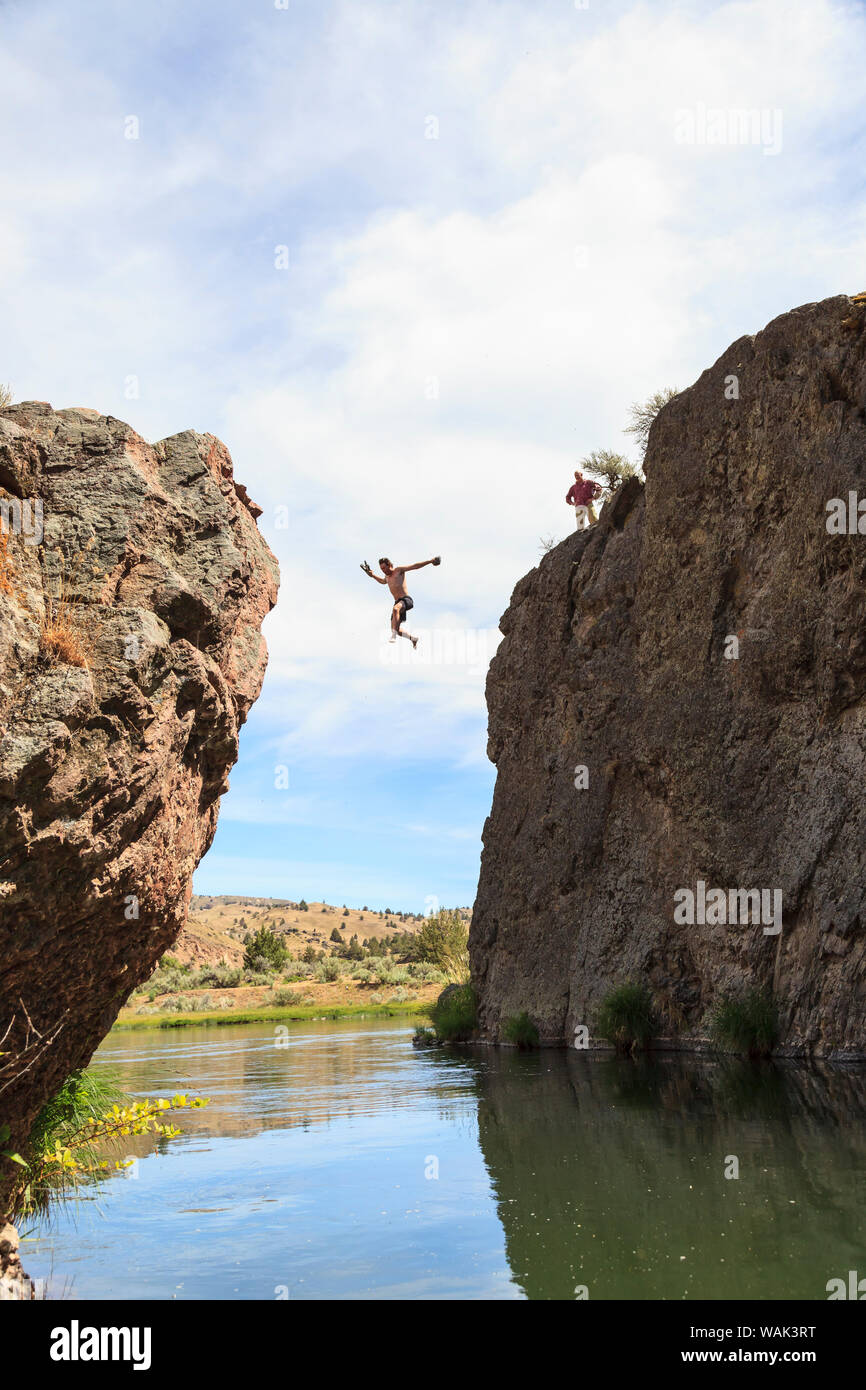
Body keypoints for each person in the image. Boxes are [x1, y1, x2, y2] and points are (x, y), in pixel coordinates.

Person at [361, 554, 441, 647]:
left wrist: (430, 561)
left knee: (395, 609)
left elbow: (414, 566)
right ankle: (413, 639)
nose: (383, 570)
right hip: (398, 603)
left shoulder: (398, 570)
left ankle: (393, 635)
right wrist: (372, 575)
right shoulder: (387, 578)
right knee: (396, 629)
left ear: (389, 565)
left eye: (384, 568)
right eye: (381, 569)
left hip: (406, 600)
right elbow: (383, 582)